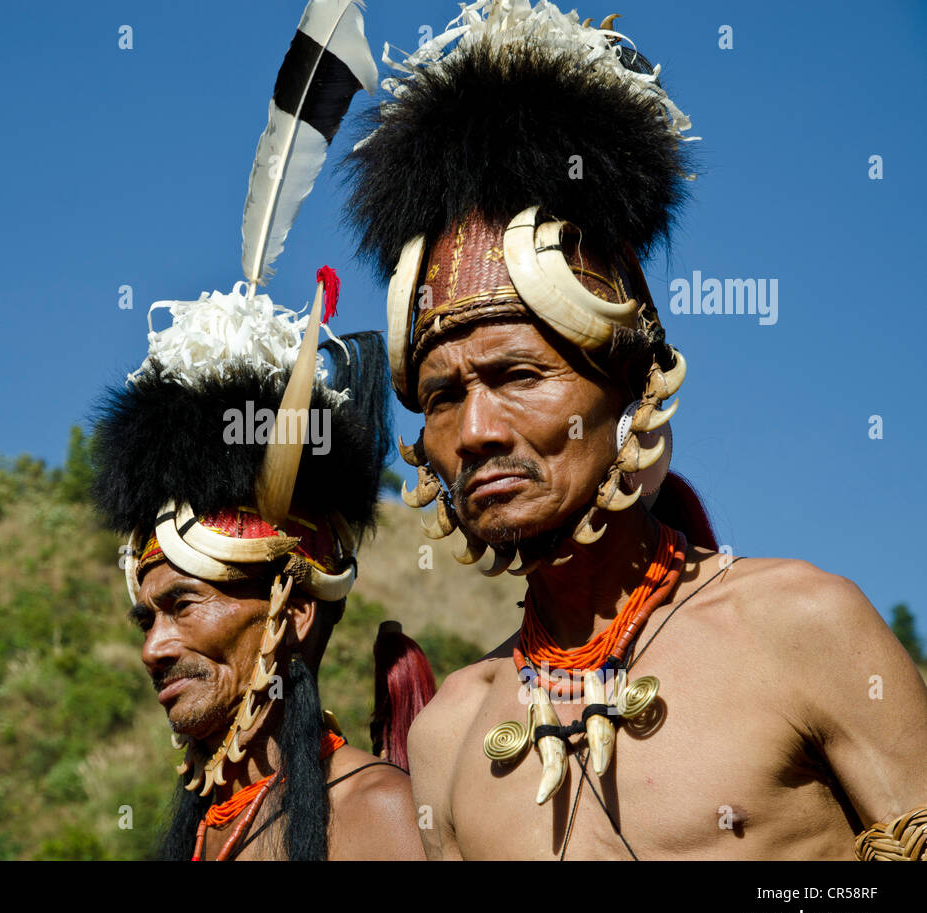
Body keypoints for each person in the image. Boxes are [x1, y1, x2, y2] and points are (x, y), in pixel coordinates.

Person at [343, 0, 927, 859]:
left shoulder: (802, 625)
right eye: (439, 396)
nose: (473, 431)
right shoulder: (448, 736)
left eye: (516, 376)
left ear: (632, 383)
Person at [89, 0, 425, 861]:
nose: (154, 647)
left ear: (295, 606)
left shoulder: (382, 821)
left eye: (181, 604)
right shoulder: (211, 833)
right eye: (145, 618)